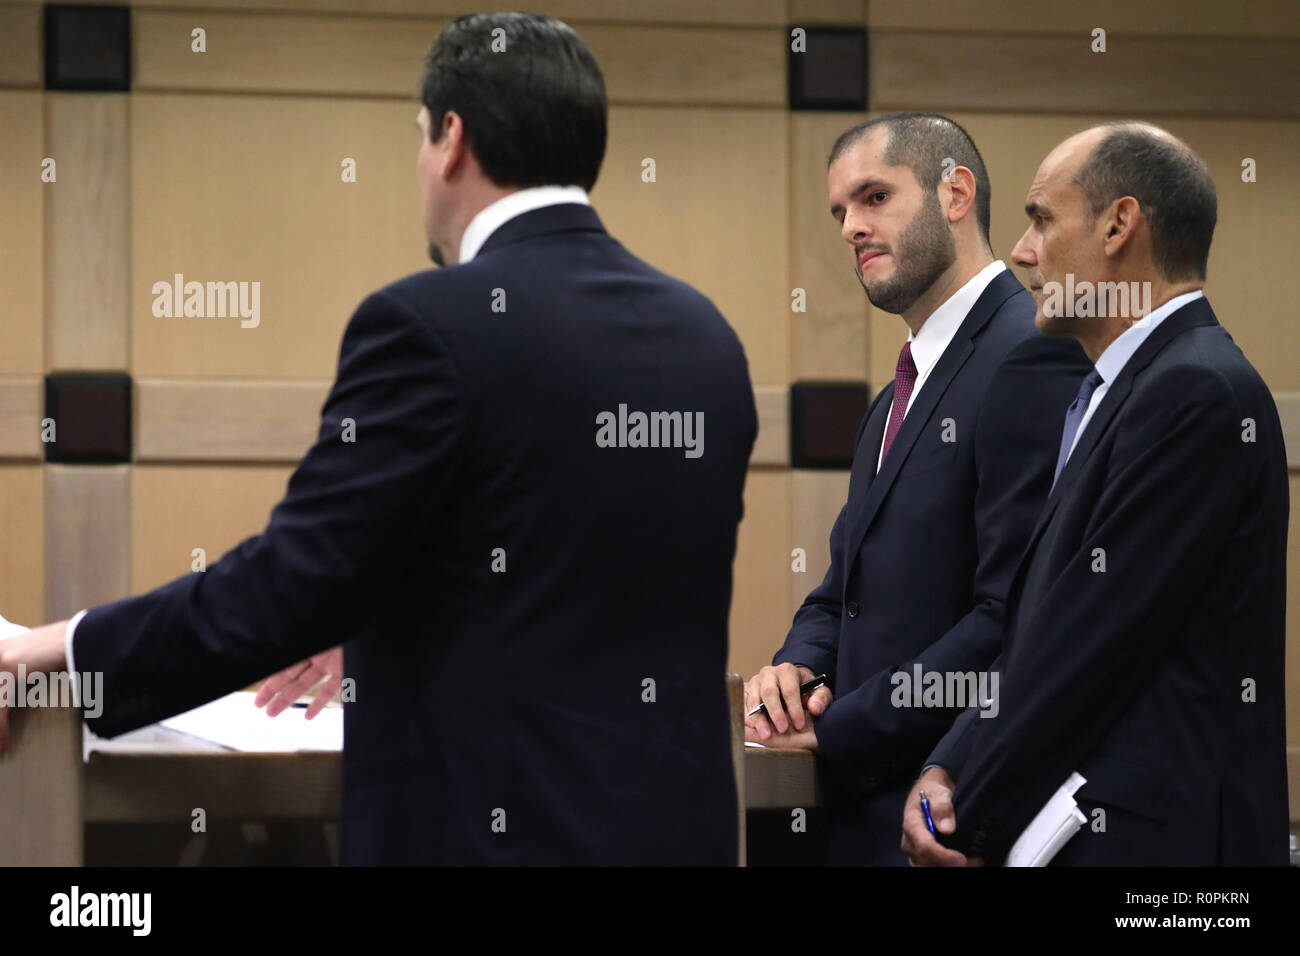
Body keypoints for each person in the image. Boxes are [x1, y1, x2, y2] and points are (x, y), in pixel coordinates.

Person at [0, 12, 758, 865]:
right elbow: (567, 567)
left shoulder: (428, 324)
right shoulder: (707, 339)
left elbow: (289, 581)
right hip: (678, 833)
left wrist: (56, 646)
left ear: (451, 139)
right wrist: (376, 617)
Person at [902, 122, 1289, 867]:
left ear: (1119, 225)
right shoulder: (1123, 390)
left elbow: (1086, 647)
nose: (1020, 251)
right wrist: (947, 762)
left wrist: (962, 815)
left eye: (1041, 217)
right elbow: (1041, 629)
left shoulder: (1193, 392)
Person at [744, 113, 1090, 865]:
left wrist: (839, 727)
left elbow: (1012, 617)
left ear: (955, 192)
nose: (850, 228)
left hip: (952, 812)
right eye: (840, 211)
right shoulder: (895, 392)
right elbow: (844, 591)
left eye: (873, 197)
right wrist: (795, 671)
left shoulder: (1030, 355)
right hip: (859, 818)